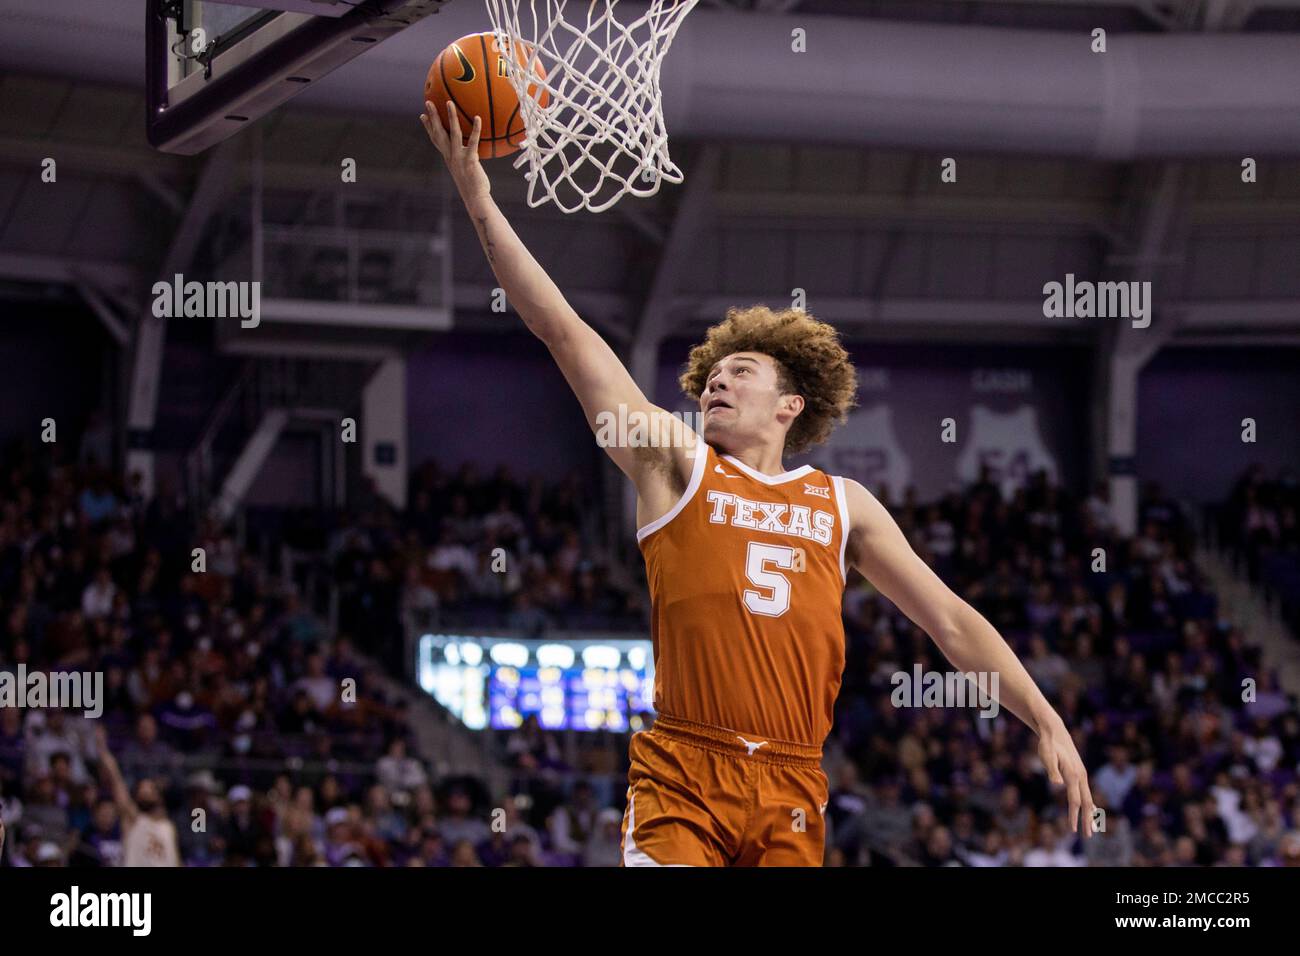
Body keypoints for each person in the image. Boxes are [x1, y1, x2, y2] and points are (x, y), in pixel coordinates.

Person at [421, 101, 1095, 867]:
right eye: (710, 375)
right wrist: (479, 198)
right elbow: (565, 332)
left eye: (740, 372)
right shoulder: (675, 462)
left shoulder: (844, 505)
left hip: (792, 785)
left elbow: (948, 619)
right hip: (683, 771)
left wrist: (1044, 718)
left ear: (790, 405)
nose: (715, 383)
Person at [94, 726, 179, 867]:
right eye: (142, 789)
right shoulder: (133, 819)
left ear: (158, 797)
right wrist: (103, 750)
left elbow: (175, 860)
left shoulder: (168, 827)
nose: (145, 791)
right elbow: (116, 779)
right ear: (137, 797)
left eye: (149, 788)